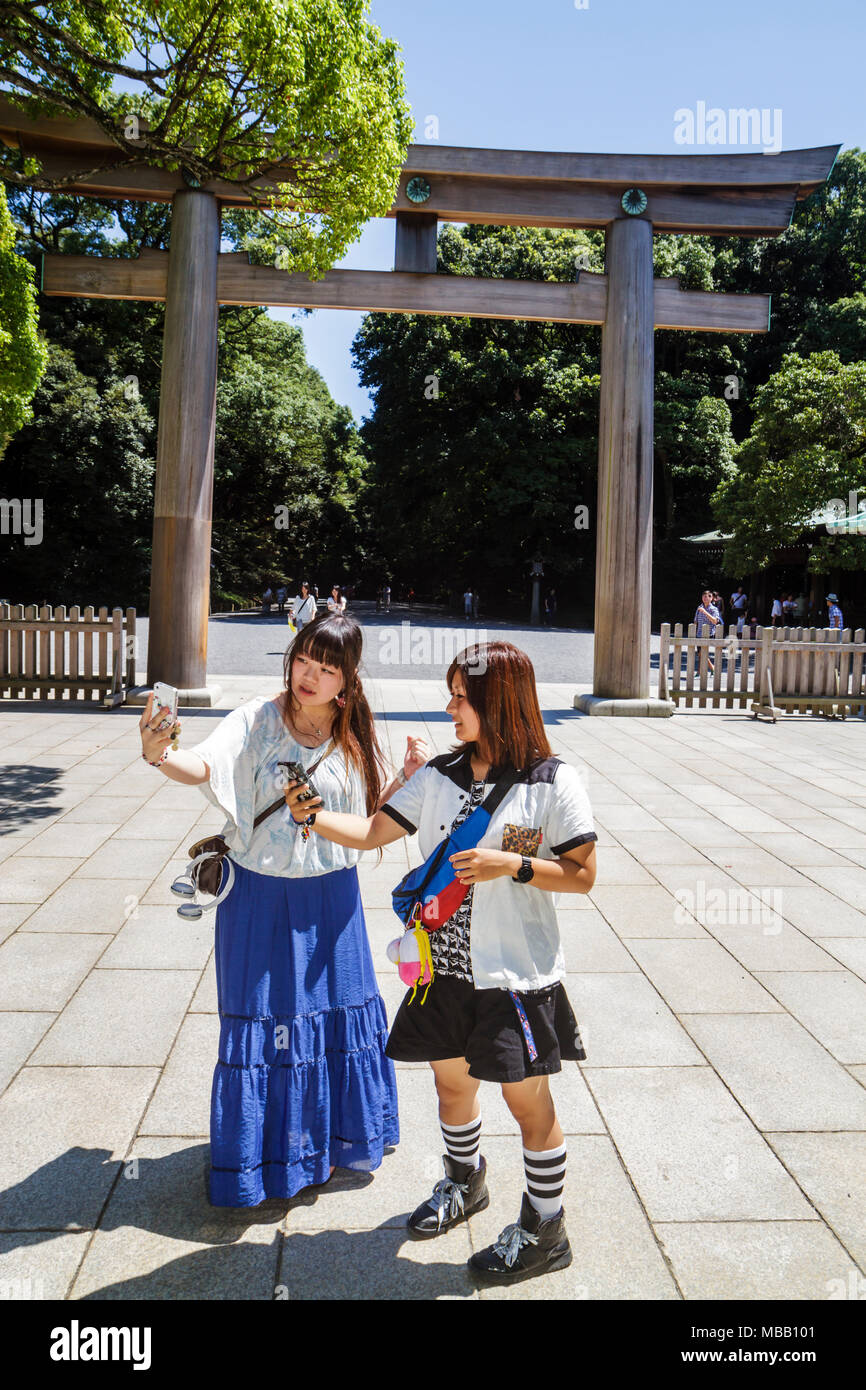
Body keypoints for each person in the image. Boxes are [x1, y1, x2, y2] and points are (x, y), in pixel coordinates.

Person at [285, 640, 598, 1285]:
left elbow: (582, 874)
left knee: (527, 1102)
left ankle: (546, 1228)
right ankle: (465, 1181)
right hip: (442, 971)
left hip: (513, 975)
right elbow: (376, 831)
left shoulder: (553, 781)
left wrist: (508, 866)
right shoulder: (441, 776)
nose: (450, 708)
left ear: (498, 703)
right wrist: (312, 817)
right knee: (452, 1085)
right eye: (451, 695)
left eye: (462, 697)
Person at [138, 613, 430, 1206]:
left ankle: (334, 1140)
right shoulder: (255, 719)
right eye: (303, 660)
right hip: (261, 897)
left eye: (326, 669)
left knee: (335, 1018)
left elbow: (372, 814)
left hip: (334, 899)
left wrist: (407, 780)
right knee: (264, 1024)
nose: (309, 676)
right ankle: (259, 1159)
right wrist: (160, 752)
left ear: (346, 683)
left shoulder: (355, 730)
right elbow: (205, 763)